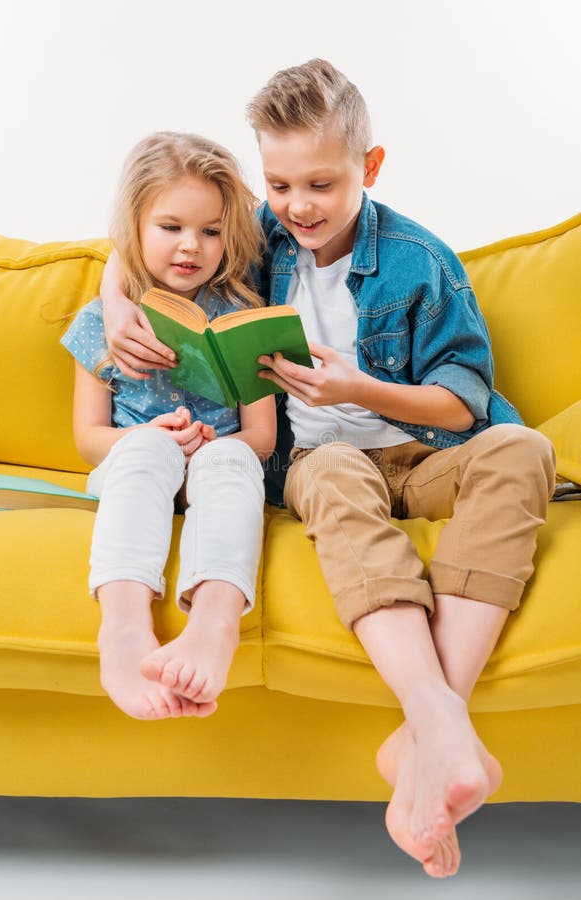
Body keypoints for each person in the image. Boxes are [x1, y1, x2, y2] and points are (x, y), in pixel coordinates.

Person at [96, 64, 555, 878]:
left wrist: (360, 388)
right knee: (337, 465)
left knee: (525, 448)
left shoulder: (420, 261)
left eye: (320, 183)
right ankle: (438, 727)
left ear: (368, 169)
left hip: (424, 452)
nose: (297, 205)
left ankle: (425, 736)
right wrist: (120, 302)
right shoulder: (250, 240)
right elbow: (143, 232)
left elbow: (462, 405)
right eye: (277, 184)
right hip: (317, 460)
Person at [61, 132, 276, 724]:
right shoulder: (101, 322)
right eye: (171, 227)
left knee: (229, 463)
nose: (192, 246)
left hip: (217, 466)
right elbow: (88, 440)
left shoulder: (239, 312)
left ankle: (214, 624)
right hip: (135, 467)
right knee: (148, 450)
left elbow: (260, 438)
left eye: (211, 231)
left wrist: (212, 443)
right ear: (133, 227)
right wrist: (150, 438)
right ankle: (125, 631)